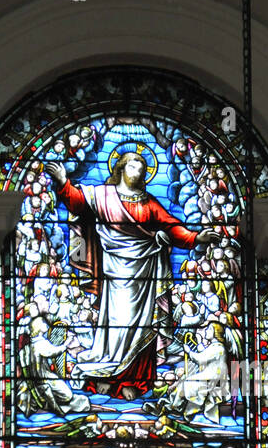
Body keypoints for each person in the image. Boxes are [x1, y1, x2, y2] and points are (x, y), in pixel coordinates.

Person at [45, 151, 222, 399]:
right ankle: (103, 378)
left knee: (142, 325)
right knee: (114, 326)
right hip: (114, 271)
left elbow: (170, 226)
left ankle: (134, 382)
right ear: (120, 169)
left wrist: (195, 238)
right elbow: (77, 202)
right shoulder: (102, 195)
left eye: (142, 166)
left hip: (145, 271)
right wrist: (64, 182)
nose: (138, 169)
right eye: (133, 164)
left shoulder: (148, 202)